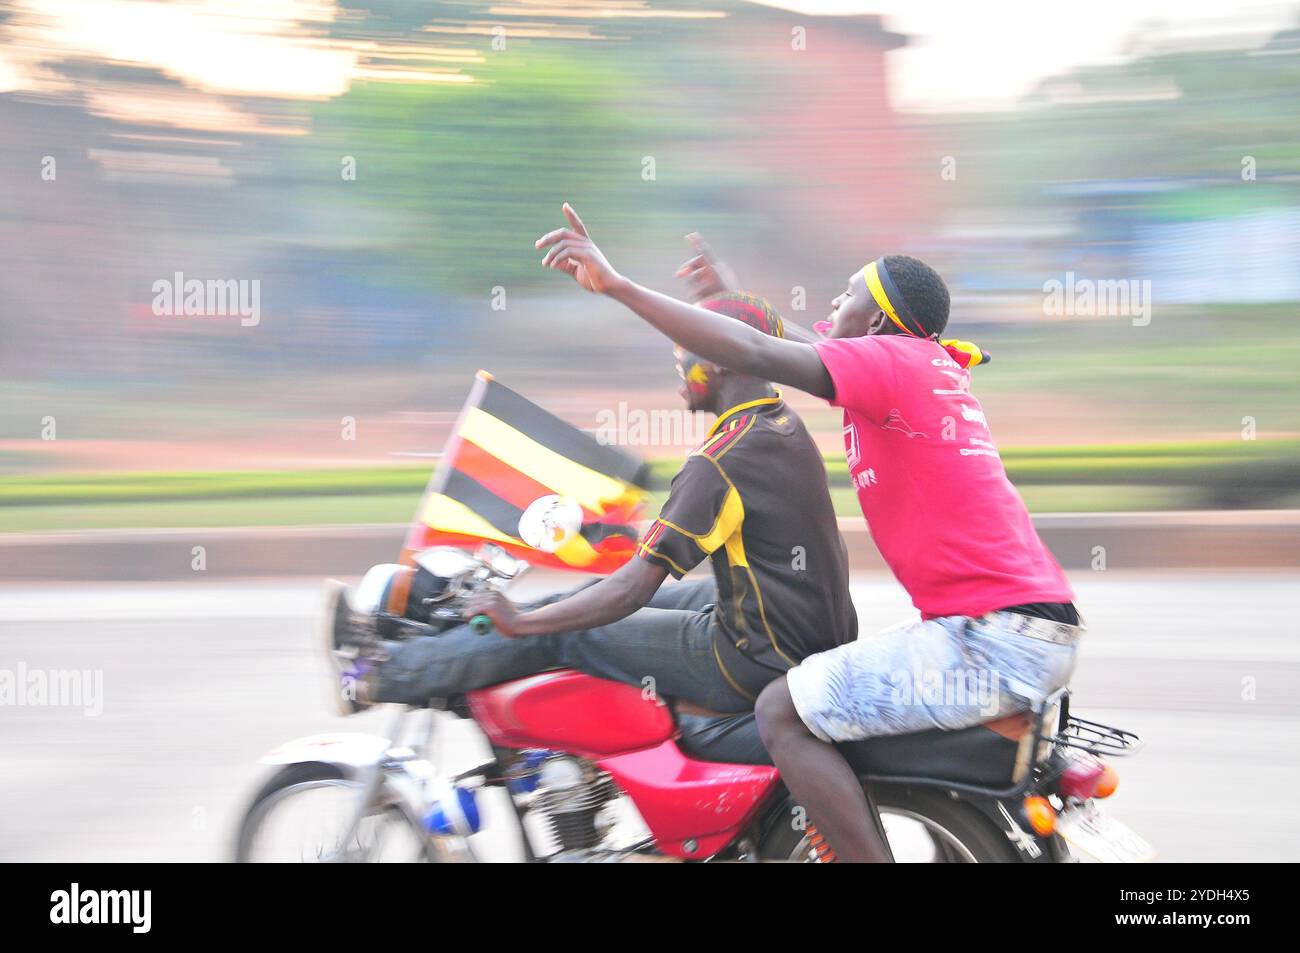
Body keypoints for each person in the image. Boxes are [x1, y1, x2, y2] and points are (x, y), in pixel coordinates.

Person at [535, 203, 1081, 863]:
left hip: (993, 641)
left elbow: (761, 350)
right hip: (1020, 628)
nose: (832, 301)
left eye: (846, 293)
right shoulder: (920, 365)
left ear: (877, 321)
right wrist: (730, 299)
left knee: (781, 713)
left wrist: (619, 286)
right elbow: (786, 343)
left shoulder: (890, 365)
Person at [326, 291, 857, 724]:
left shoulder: (720, 460)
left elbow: (631, 589)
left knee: (569, 630)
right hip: (809, 633)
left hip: (756, 662)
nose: (678, 371)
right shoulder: (779, 423)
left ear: (717, 362)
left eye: (683, 356)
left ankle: (379, 674)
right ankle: (446, 648)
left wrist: (522, 623)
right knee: (581, 596)